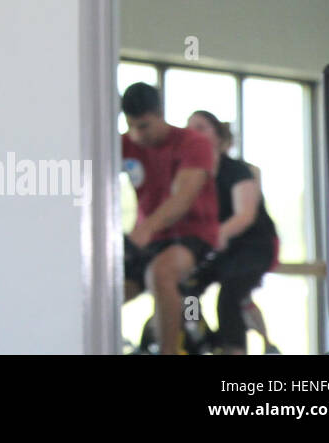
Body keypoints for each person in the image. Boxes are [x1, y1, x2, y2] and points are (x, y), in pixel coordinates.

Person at [120, 82, 219, 354]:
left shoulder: (193, 143)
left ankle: (168, 351)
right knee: (106, 288)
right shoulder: (126, 144)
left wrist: (144, 230)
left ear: (160, 114)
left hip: (194, 235)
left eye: (144, 126)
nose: (137, 135)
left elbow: (182, 199)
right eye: (131, 126)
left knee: (160, 274)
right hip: (151, 238)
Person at [186, 110, 280, 354]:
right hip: (221, 249)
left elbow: (245, 215)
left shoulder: (236, 170)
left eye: (201, 127)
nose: (193, 133)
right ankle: (198, 337)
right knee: (187, 289)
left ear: (218, 137)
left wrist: (217, 236)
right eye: (190, 128)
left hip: (252, 247)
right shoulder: (195, 176)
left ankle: (237, 348)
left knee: (230, 296)